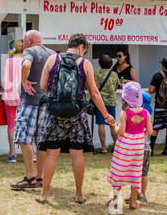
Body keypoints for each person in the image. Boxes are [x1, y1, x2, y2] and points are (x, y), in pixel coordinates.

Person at [36, 33, 115, 204]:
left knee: (52, 153)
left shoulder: (52, 59)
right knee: (77, 153)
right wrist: (106, 114)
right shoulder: (84, 63)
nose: (84, 53)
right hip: (76, 113)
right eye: (85, 50)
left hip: (54, 112)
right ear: (81, 47)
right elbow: (93, 92)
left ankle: (44, 195)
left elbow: (42, 85)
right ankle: (78, 195)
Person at [10, 30, 55, 189]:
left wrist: (24, 81)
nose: (23, 45)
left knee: (23, 137)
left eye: (24, 41)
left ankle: (30, 177)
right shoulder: (52, 53)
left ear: (29, 40)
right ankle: (40, 177)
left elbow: (26, 64)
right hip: (46, 102)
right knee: (41, 141)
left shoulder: (30, 51)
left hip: (30, 101)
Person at [106, 82, 153, 210]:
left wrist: (114, 125)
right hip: (138, 148)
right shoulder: (145, 113)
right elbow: (149, 131)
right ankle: (133, 203)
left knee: (119, 172)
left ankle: (115, 200)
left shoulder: (124, 113)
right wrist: (139, 132)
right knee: (135, 173)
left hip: (124, 148)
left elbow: (120, 132)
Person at [148, 56, 167, 156]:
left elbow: (151, 90)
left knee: (156, 127)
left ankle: (151, 149)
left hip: (160, 105)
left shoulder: (157, 76)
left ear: (163, 65)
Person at [1, 39, 23, 163]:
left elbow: (4, 82)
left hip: (10, 96)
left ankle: (12, 154)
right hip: (24, 97)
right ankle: (32, 153)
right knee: (26, 124)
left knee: (11, 126)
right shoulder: (26, 61)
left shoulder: (8, 61)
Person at [94, 54, 120, 153]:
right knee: (112, 124)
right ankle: (116, 148)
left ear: (100, 63)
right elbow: (116, 88)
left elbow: (92, 88)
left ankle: (104, 148)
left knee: (101, 124)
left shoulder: (95, 74)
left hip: (100, 102)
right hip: (111, 102)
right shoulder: (114, 74)